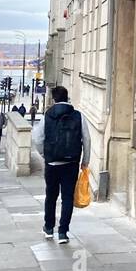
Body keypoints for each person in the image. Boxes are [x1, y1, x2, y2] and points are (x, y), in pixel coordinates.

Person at [31, 85, 86, 244]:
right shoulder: (78, 116)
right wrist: (85, 160)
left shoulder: (47, 116)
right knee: (67, 197)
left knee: (51, 196)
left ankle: (48, 228)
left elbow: (37, 139)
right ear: (67, 97)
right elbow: (86, 139)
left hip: (52, 163)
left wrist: (44, 154)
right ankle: (63, 232)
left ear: (54, 99)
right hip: (71, 162)